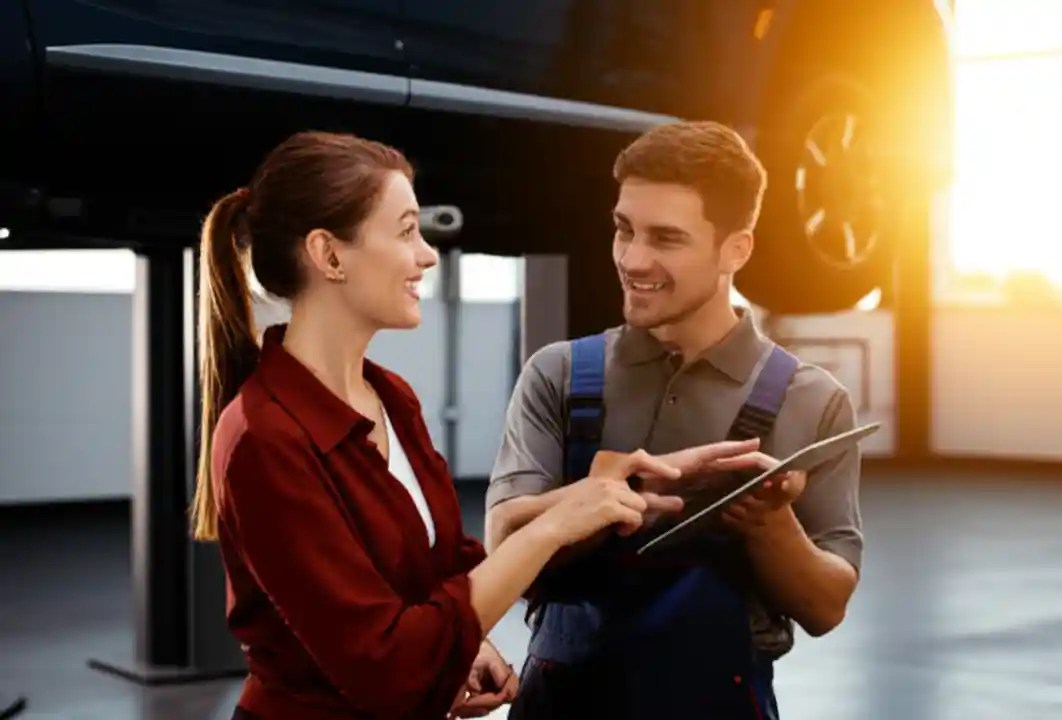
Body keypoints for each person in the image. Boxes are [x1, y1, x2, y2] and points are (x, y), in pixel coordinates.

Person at [189, 130, 738, 719]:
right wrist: (548, 531)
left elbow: (441, 567)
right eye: (405, 231)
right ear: (328, 255)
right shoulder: (263, 437)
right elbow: (388, 666)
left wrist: (601, 493)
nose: (427, 254)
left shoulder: (389, 397)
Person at [484, 120, 865, 719]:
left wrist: (769, 524)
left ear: (736, 249)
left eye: (666, 238)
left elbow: (826, 607)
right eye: (623, 229)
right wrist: (606, 495)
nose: (633, 259)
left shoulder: (811, 400)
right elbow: (504, 551)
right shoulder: (557, 375)